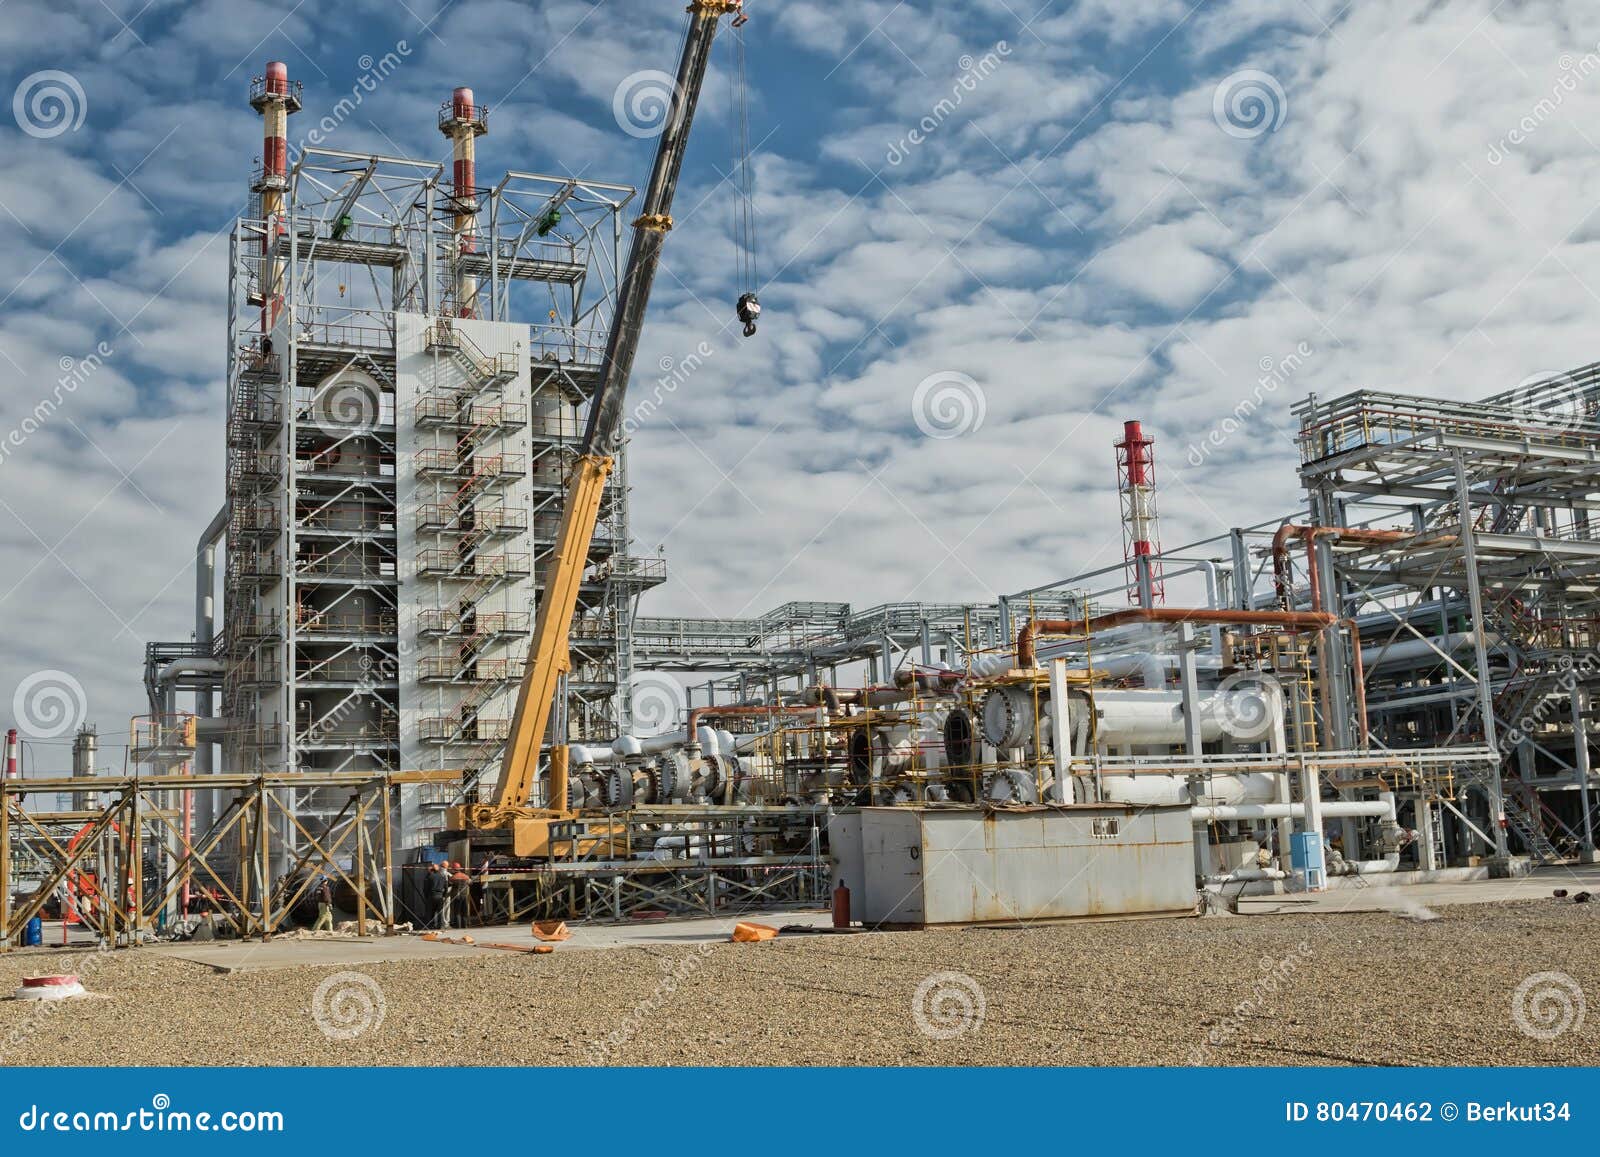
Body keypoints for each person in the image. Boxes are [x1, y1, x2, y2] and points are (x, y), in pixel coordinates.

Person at [426, 862, 448, 929]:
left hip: (432, 896)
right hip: (440, 896)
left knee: (431, 912)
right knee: (440, 912)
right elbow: (446, 887)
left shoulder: (430, 877)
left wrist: (426, 896)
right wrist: (444, 895)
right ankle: (439, 926)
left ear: (432, 870)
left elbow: (426, 888)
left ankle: (431, 925)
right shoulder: (443, 876)